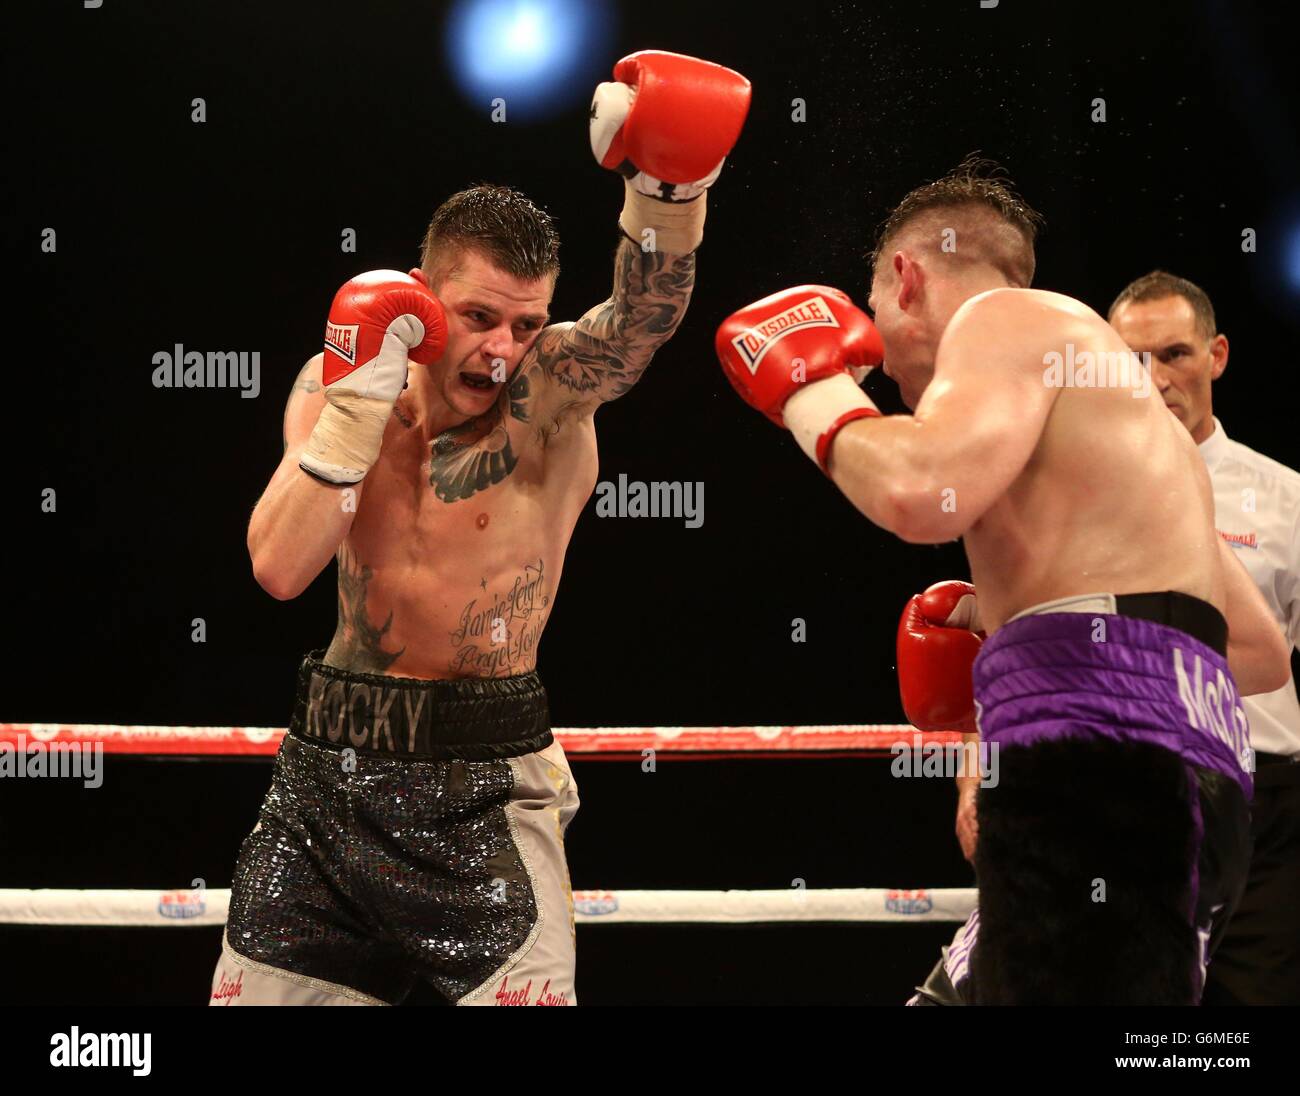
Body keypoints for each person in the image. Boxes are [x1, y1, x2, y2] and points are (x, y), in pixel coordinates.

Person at [209, 50, 750, 1006]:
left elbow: (638, 324)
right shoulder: (338, 380)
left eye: (528, 324)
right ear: (419, 292)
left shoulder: (549, 399)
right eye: (478, 317)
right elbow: (279, 568)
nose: (504, 350)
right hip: (327, 770)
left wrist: (669, 191)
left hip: (485, 781)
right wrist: (351, 414)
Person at [714, 157, 1291, 1003]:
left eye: (871, 308)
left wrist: (812, 391)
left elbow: (917, 493)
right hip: (1181, 781)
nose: (874, 351)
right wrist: (1002, 631)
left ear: (907, 279)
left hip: (1103, 773)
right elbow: (1257, 652)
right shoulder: (1141, 431)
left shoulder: (1003, 318)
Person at [1110, 270, 1300, 1004]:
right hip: (1130, 787)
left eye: (1174, 355)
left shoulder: (1284, 500)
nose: (1153, 379)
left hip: (1264, 794)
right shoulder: (1075, 498)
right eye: (1130, 360)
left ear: (1217, 355)